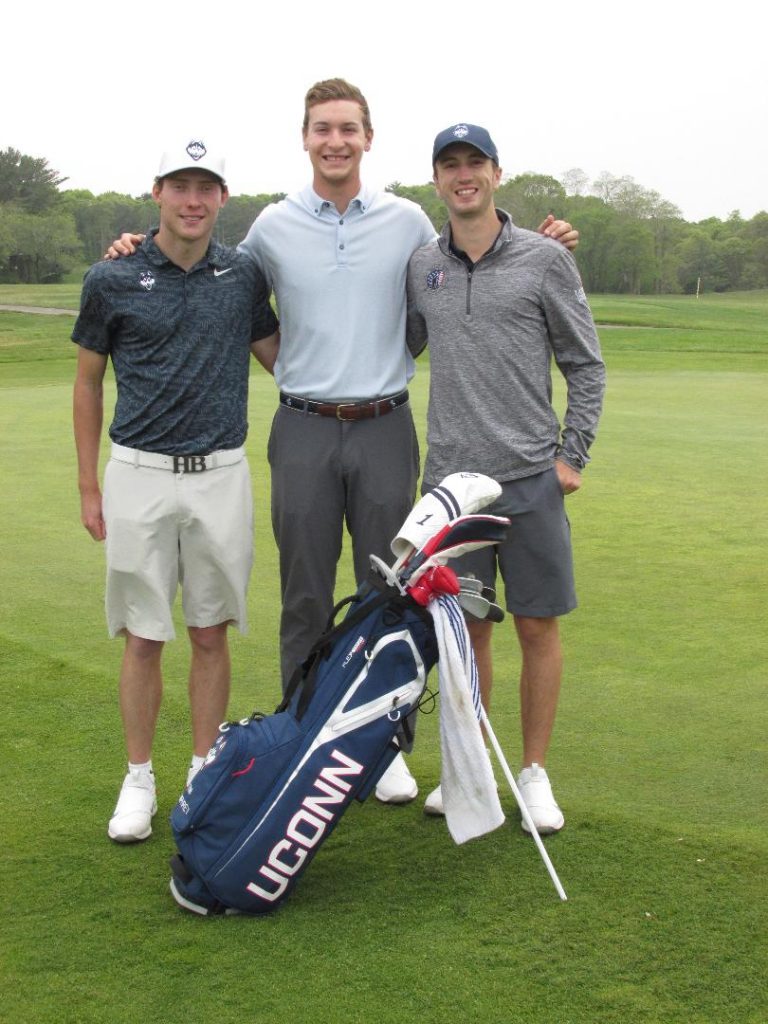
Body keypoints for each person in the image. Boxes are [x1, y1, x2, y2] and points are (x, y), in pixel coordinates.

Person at [106, 82, 578, 806]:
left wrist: (538, 245)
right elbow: (207, 260)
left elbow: (466, 259)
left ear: (367, 138)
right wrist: (135, 243)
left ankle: (381, 746)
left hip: (386, 426)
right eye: (322, 128)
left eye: (348, 129)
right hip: (302, 428)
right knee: (303, 596)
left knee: (387, 595)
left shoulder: (406, 220)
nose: (335, 141)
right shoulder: (271, 226)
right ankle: (302, 735)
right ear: (305, 138)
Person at [73, 140, 279, 843]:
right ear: (158, 191)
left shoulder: (243, 274)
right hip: (137, 473)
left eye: (208, 187)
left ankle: (203, 768)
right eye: (181, 186)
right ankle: (138, 777)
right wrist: (86, 486)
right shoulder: (113, 276)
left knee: (211, 632)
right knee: (142, 637)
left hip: (222, 473)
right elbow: (86, 382)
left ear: (222, 198)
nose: (194, 200)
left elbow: (281, 357)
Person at [406, 124, 605, 833]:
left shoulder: (546, 259)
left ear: (495, 172)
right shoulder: (421, 265)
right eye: (450, 165)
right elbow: (398, 343)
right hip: (452, 487)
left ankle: (534, 772)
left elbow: (585, 364)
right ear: (436, 179)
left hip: (528, 478)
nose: (464, 176)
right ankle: (468, 768)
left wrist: (571, 457)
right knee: (466, 635)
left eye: (475, 164)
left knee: (536, 627)